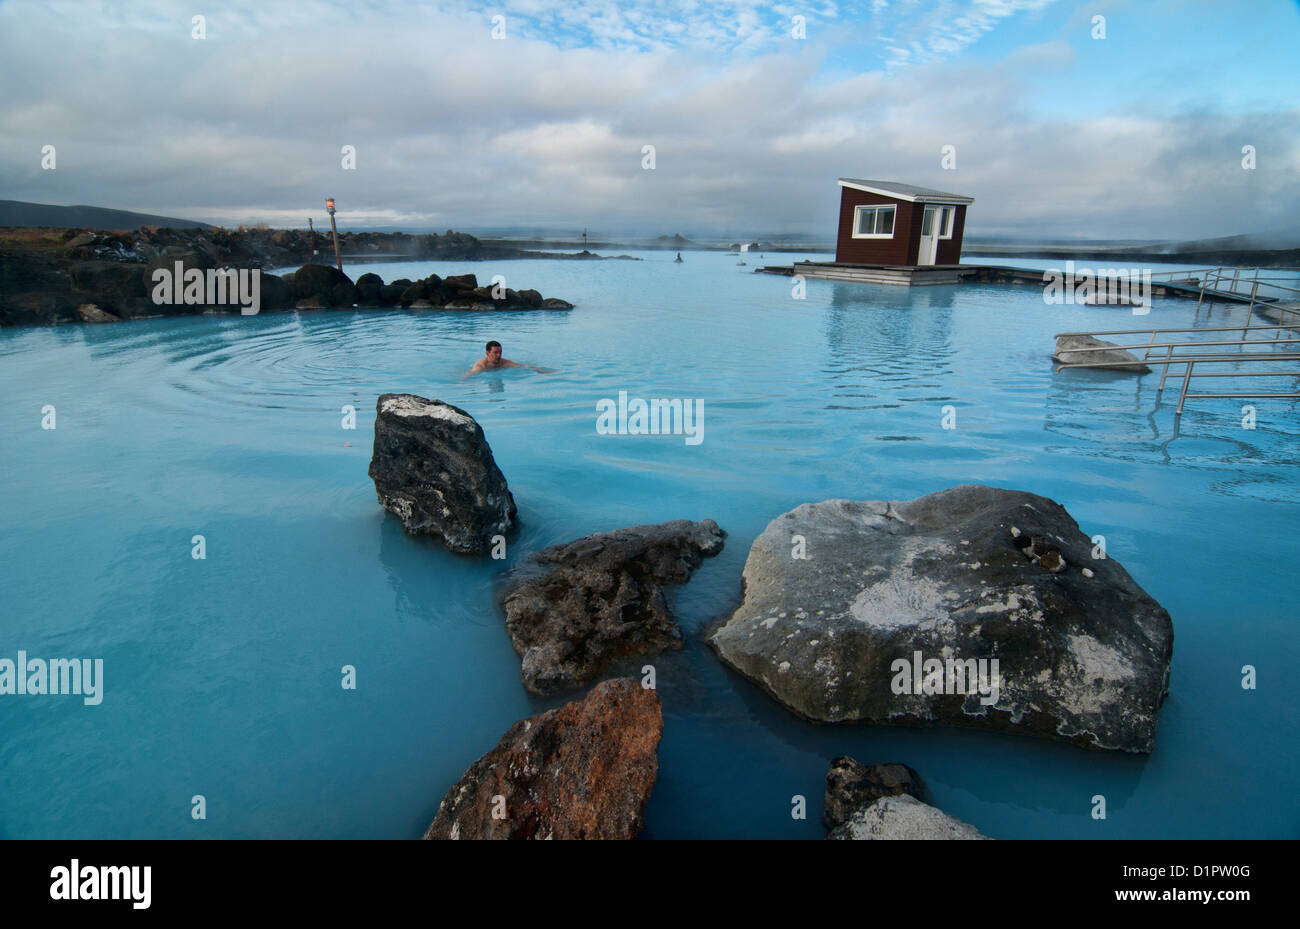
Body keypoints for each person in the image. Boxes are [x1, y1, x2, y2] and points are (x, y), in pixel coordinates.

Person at [465, 340, 554, 376]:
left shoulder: (504, 363)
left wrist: (542, 371)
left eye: (500, 352)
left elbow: (523, 366)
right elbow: (469, 374)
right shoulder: (481, 366)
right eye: (495, 353)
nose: (499, 355)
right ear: (487, 353)